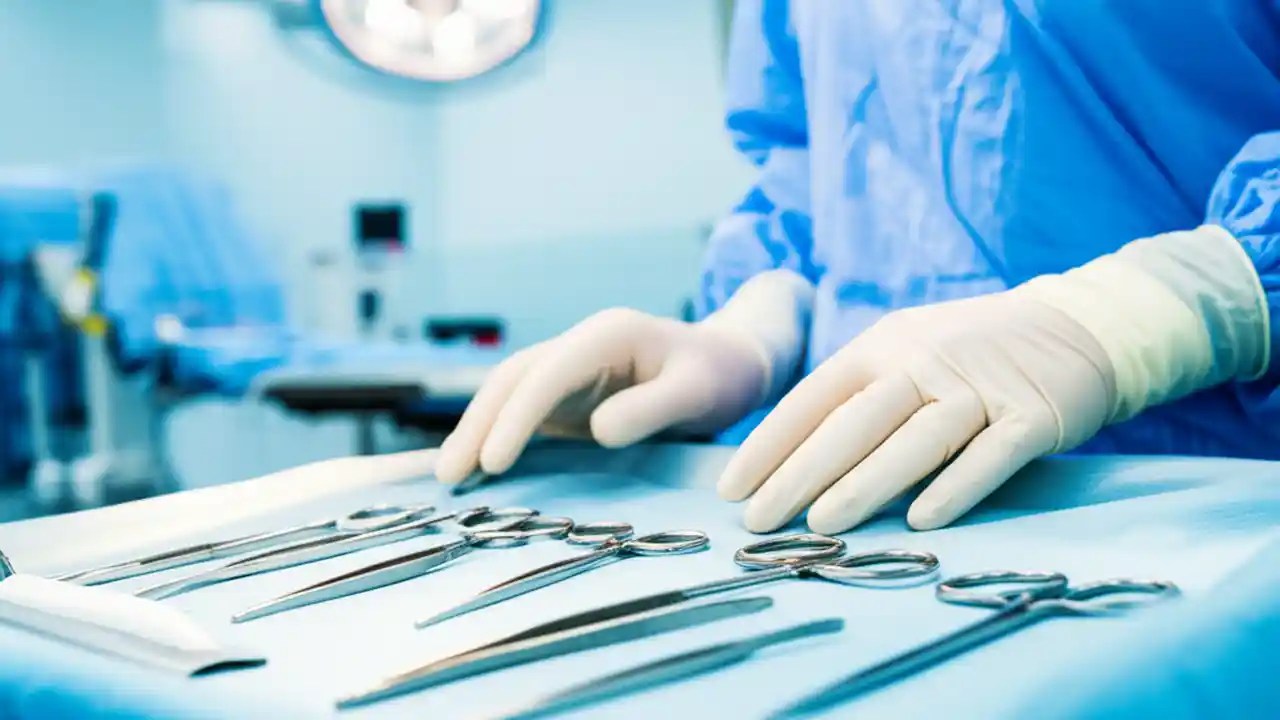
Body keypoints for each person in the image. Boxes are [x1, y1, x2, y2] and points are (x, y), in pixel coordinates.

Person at [436, 0, 1280, 535]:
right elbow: (807, 166)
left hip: (1198, 500)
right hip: (852, 497)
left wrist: (1152, 315)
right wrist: (751, 330)